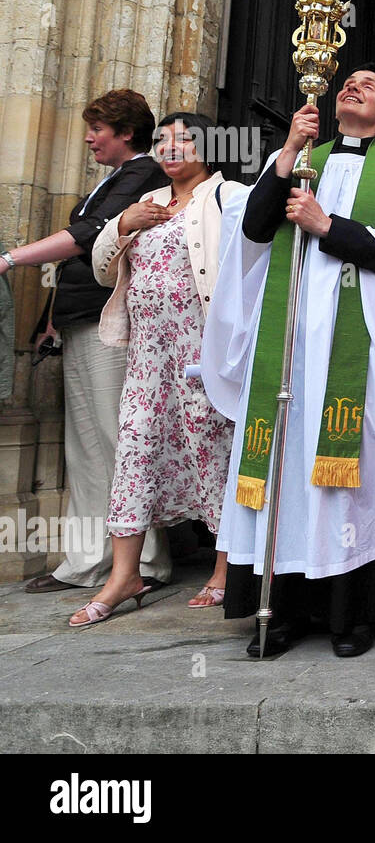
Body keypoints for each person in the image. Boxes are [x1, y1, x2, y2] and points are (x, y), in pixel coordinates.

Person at [201, 64, 375, 657]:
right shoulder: (299, 159)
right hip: (286, 347)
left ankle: (351, 614)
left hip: (357, 348)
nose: (352, 88)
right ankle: (282, 610)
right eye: (349, 82)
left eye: (370, 86)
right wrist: (287, 149)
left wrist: (326, 225)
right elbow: (256, 230)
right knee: (286, 467)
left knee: (352, 475)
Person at [68, 114, 246, 626]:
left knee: (212, 448)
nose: (170, 148)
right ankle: (124, 575)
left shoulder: (226, 196)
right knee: (135, 449)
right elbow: (103, 268)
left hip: (201, 354)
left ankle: (225, 566)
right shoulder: (145, 205)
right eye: (161, 141)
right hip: (147, 356)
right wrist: (125, 225)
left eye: (183, 139)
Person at [0, 90, 172, 594]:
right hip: (82, 320)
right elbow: (80, 256)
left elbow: (85, 238)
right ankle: (89, 558)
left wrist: (10, 259)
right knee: (88, 447)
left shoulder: (144, 175)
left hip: (111, 325)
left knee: (119, 441)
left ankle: (142, 563)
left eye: (99, 128)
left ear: (127, 133)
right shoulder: (111, 181)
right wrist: (53, 320)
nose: (90, 137)